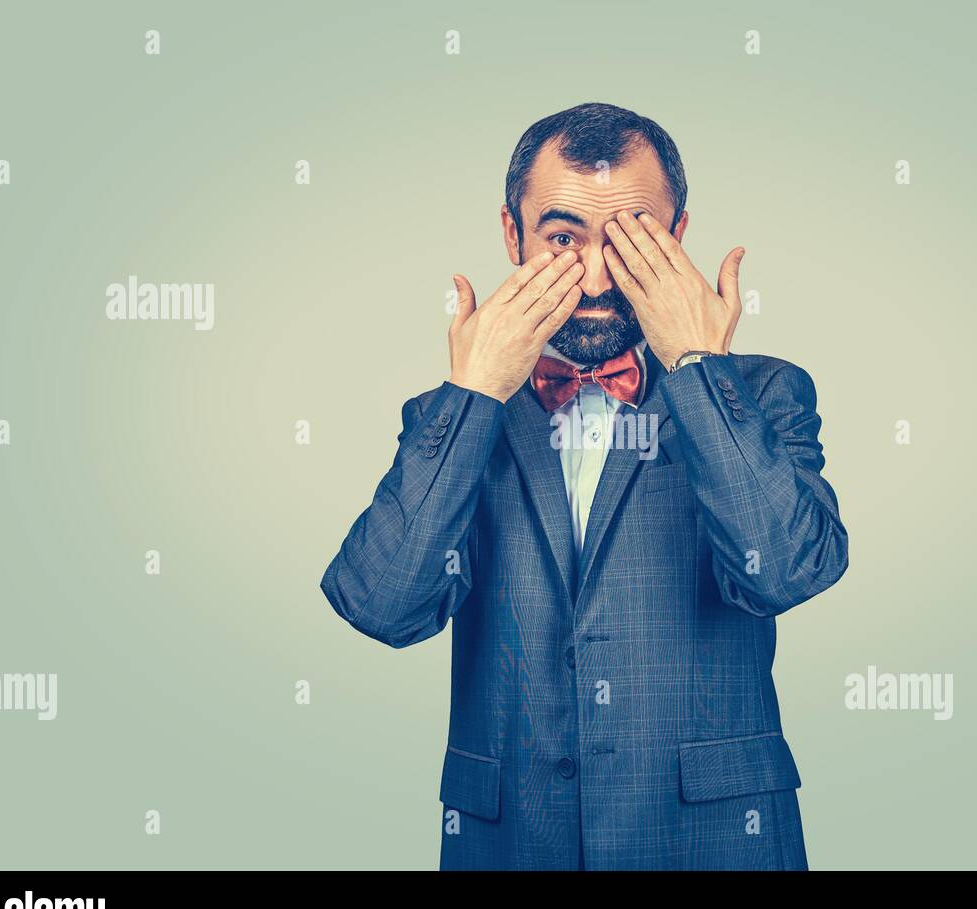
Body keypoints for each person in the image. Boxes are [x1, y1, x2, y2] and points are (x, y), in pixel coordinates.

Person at [321, 102, 849, 870]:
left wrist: (699, 370)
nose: (598, 278)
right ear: (512, 235)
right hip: (511, 845)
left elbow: (790, 570)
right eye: (563, 239)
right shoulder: (453, 418)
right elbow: (382, 604)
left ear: (677, 236)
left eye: (632, 237)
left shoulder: (761, 394)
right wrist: (472, 397)